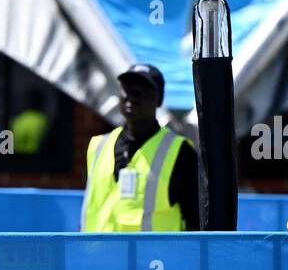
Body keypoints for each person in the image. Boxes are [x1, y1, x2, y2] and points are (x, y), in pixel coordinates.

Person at [81, 63, 200, 232]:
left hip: (153, 258)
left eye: (143, 89)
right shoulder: (97, 146)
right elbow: (91, 208)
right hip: (99, 257)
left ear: (159, 100)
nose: (133, 96)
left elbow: (194, 221)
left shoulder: (181, 151)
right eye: (127, 88)